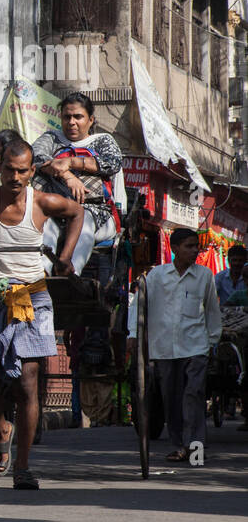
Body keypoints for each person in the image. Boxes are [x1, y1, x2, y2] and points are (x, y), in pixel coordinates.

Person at [0, 137, 85, 490]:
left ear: (32, 171)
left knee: (26, 385)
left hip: (30, 298)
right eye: (9, 169)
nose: (15, 177)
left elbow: (77, 212)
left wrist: (66, 255)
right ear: (0, 167)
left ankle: (22, 466)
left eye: (23, 171)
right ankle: (2, 428)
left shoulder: (40, 202)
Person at [128, 228, 221, 464]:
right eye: (189, 246)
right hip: (164, 349)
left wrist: (212, 340)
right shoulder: (157, 276)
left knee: (194, 395)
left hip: (196, 346)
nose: (194, 251)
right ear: (175, 248)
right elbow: (138, 306)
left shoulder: (204, 275)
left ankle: (195, 447)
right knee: (171, 398)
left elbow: (211, 309)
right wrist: (132, 333)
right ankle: (178, 445)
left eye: (195, 246)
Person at [31, 92, 125, 274]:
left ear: (90, 120)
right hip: (55, 210)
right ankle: (41, 274)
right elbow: (36, 158)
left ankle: (71, 271)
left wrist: (72, 161)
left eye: (78, 117)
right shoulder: (51, 138)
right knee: (46, 226)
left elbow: (112, 162)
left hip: (96, 212)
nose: (71, 122)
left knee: (85, 222)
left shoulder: (102, 141)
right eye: (67, 117)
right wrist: (67, 175)